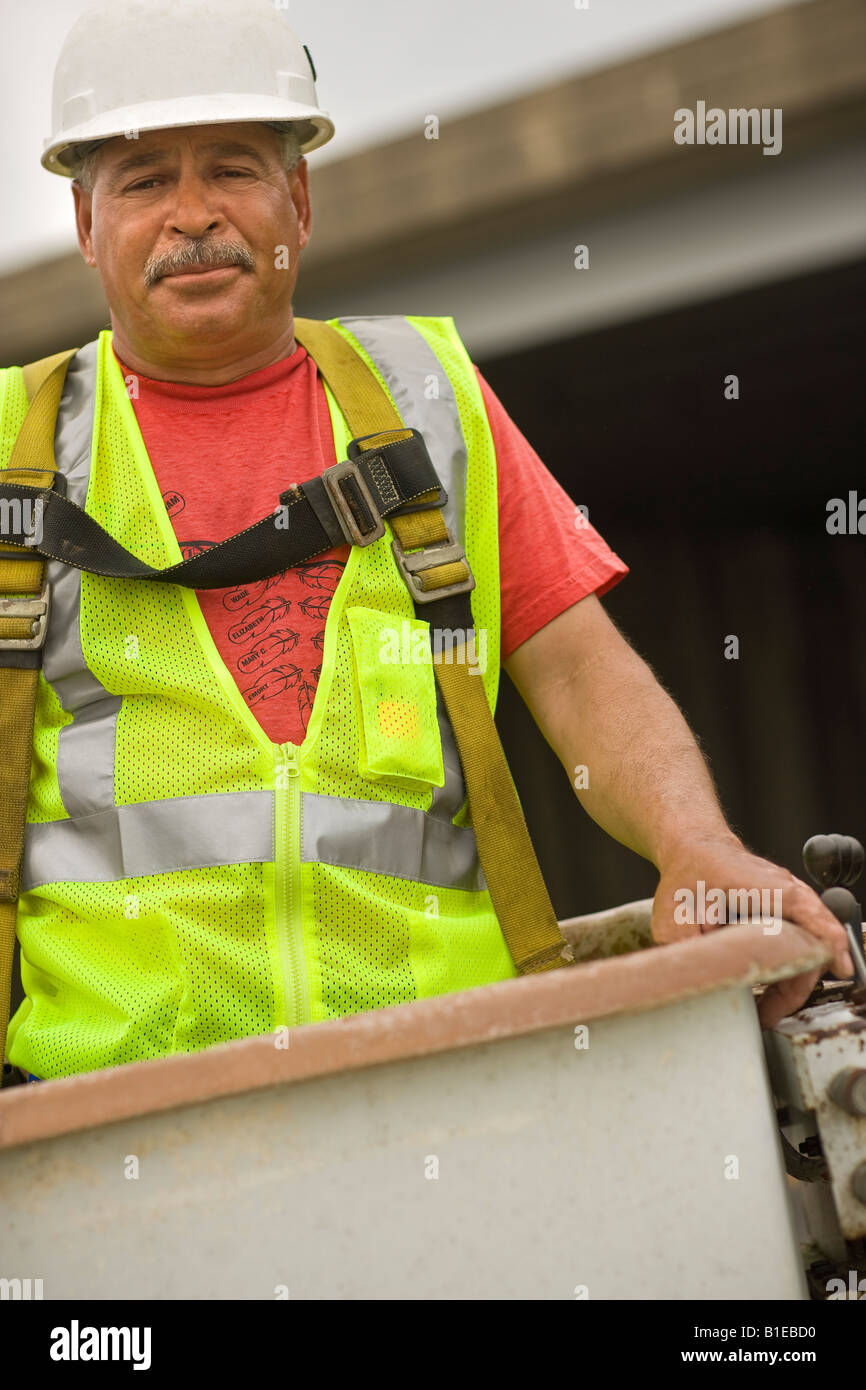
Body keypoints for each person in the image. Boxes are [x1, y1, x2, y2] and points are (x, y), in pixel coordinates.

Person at [0, 0, 851, 1082]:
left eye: (232, 168)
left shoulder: (427, 401)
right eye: (141, 180)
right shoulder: (10, 450)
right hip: (120, 1113)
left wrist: (696, 849)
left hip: (448, 1076)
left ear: (296, 201)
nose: (192, 215)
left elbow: (580, 669)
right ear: (84, 225)